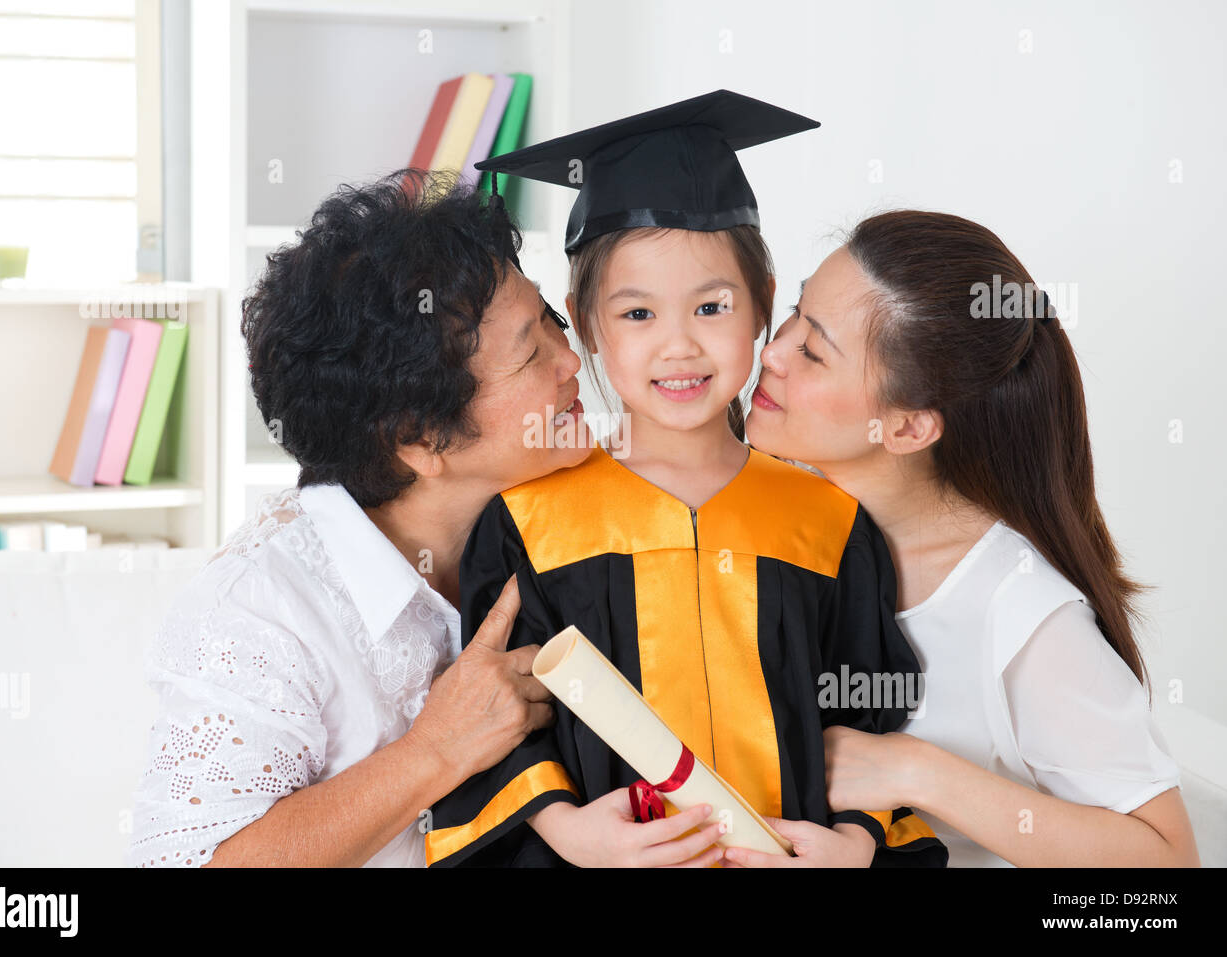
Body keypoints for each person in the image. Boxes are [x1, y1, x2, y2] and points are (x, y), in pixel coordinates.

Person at [425, 91, 946, 868]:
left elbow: (870, 716)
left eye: (711, 306)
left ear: (763, 308)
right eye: (637, 315)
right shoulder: (527, 523)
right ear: (587, 322)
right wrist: (567, 829)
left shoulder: (828, 520)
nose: (679, 346)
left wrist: (860, 840)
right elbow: (502, 718)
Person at [125, 170, 590, 867]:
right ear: (422, 438)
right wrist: (434, 752)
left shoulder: (558, 506)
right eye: (531, 351)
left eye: (551, 318)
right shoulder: (257, 613)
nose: (571, 359)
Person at [728, 209, 1199, 867]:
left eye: (812, 351)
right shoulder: (771, 513)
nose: (770, 353)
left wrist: (917, 771)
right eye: (795, 316)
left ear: (909, 428)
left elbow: (1167, 864)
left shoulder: (1021, 613)